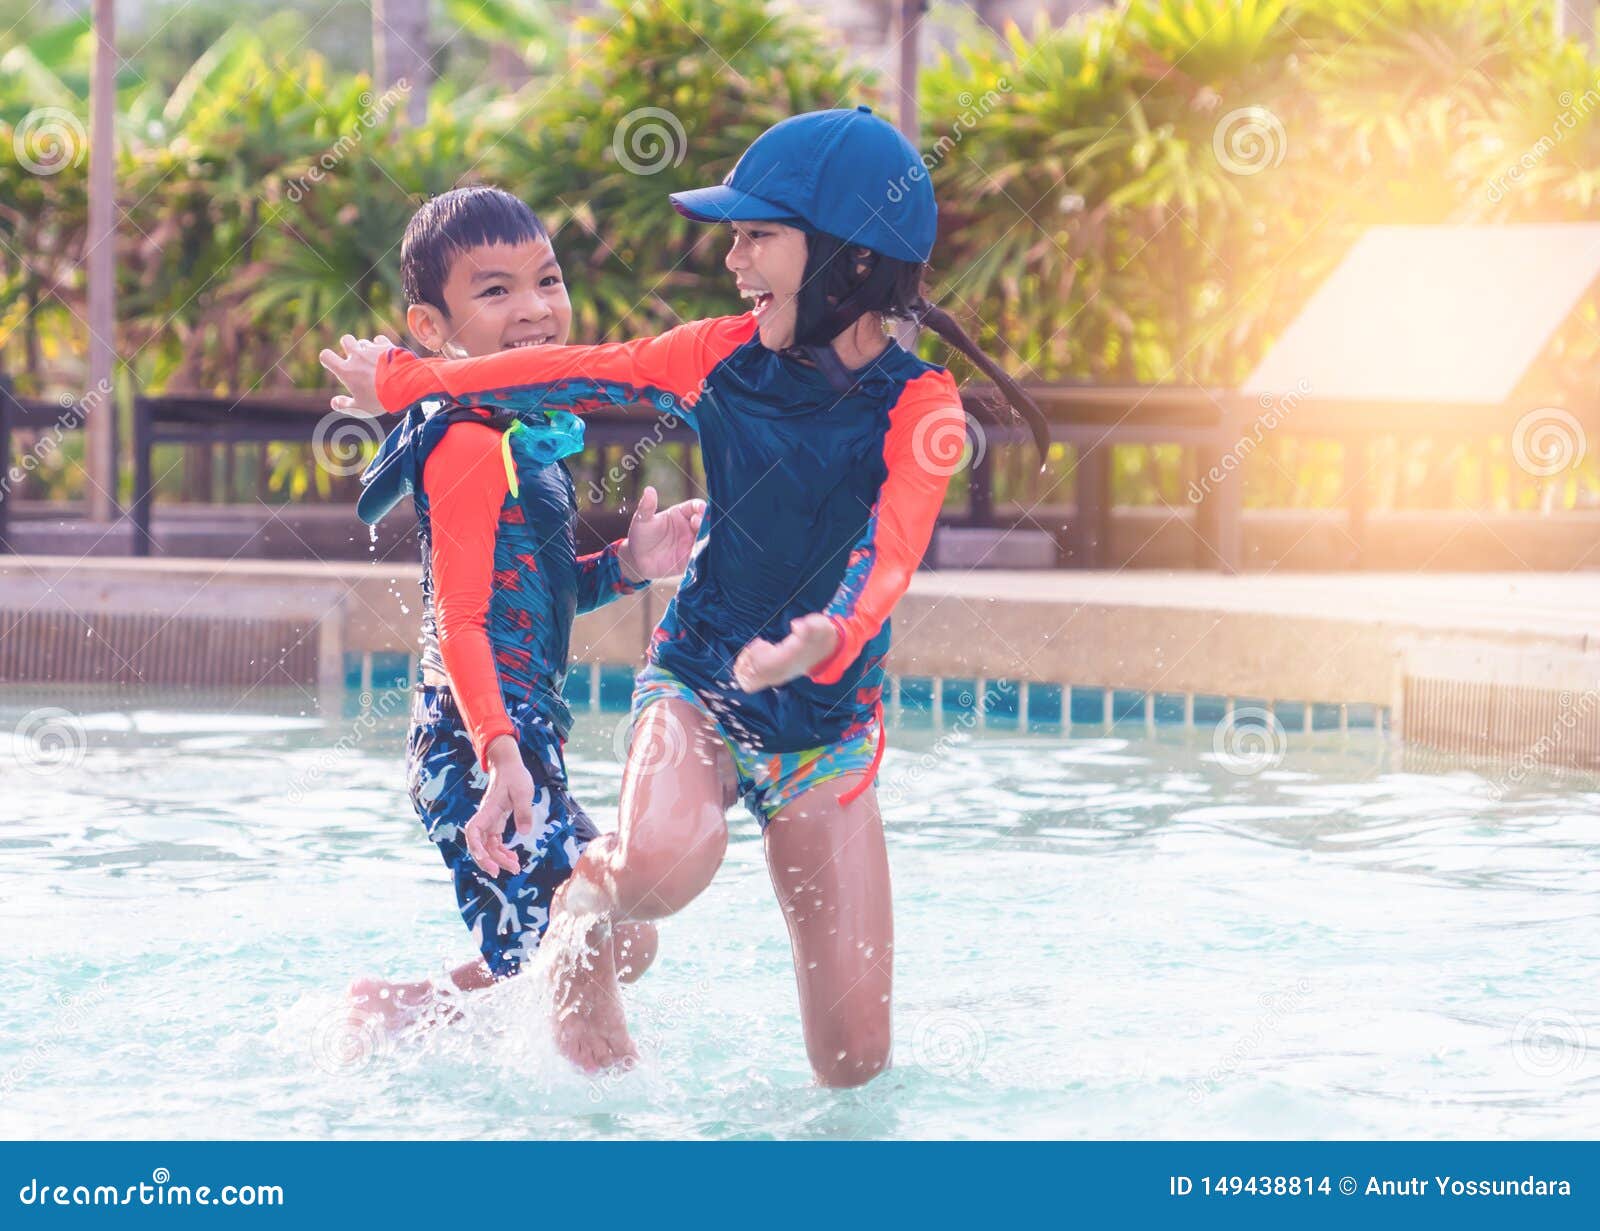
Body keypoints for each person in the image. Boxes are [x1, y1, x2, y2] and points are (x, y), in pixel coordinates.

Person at [322, 109, 1047, 1082]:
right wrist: (412, 381)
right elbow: (578, 369)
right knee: (659, 869)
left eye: (758, 235)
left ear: (848, 260)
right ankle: (576, 913)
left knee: (853, 1063)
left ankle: (464, 992)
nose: (733, 256)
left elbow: (893, 547)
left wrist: (829, 630)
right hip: (698, 683)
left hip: (826, 725)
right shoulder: (716, 352)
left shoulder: (922, 404)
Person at [341, 186, 705, 1033]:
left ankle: (396, 1012)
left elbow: (530, 592)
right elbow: (464, 623)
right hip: (478, 743)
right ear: (429, 330)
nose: (537, 308)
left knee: (622, 935)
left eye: (547, 279)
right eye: (496, 291)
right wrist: (500, 755)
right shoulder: (468, 444)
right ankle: (605, 1133)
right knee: (575, 958)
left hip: (519, 736)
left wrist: (627, 564)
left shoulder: (524, 434)